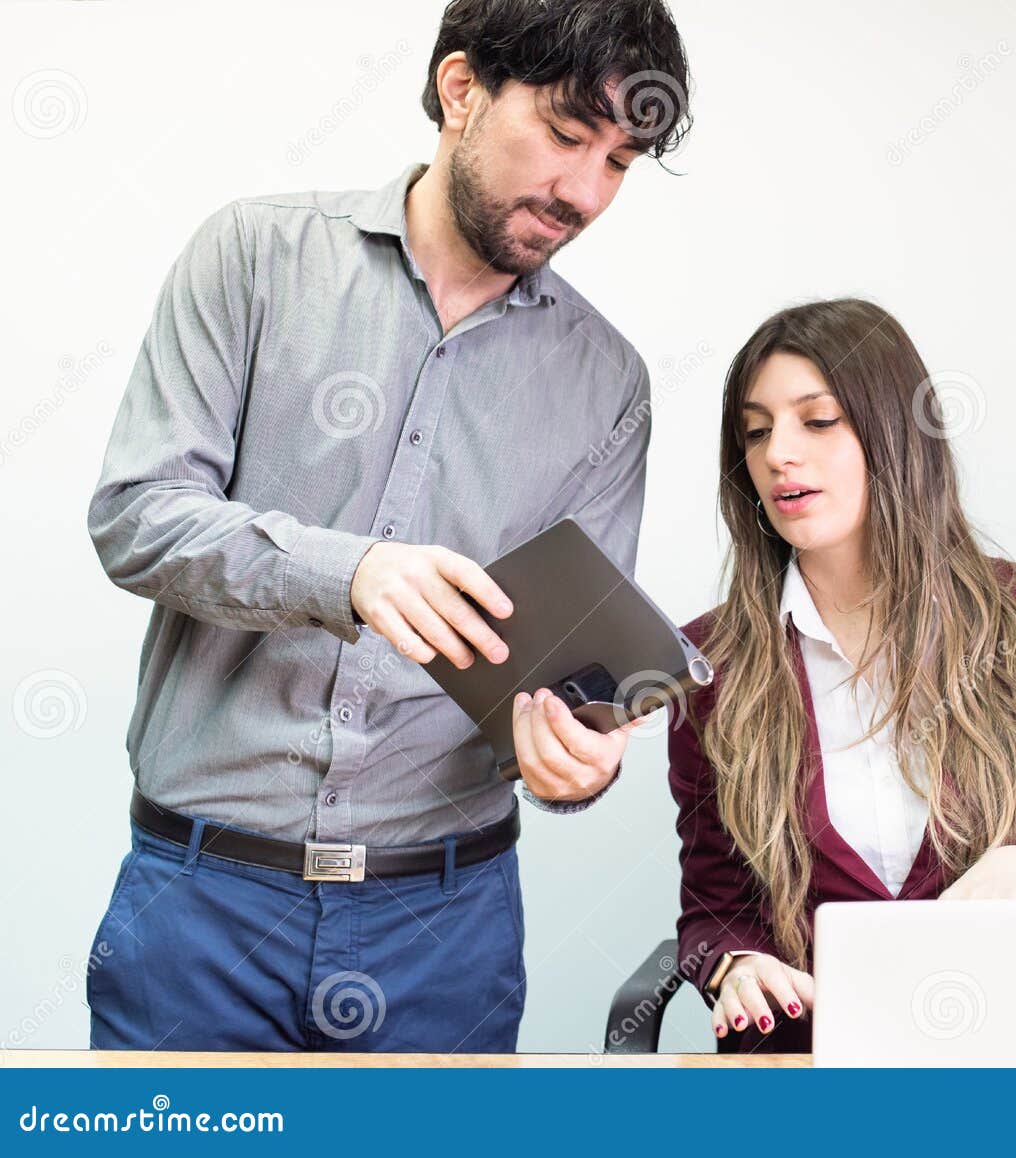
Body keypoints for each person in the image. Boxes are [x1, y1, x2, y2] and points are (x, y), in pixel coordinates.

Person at [83, 0, 691, 1052]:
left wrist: (569, 763)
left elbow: (566, 683)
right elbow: (136, 518)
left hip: (442, 929)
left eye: (619, 162)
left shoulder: (608, 386)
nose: (584, 193)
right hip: (200, 909)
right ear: (461, 91)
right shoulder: (253, 258)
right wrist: (346, 572)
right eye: (562, 135)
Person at [668, 298, 1016, 1053]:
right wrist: (732, 965)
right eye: (757, 431)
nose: (779, 455)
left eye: (819, 420)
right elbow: (714, 907)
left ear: (895, 432)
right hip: (814, 1066)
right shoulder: (711, 662)